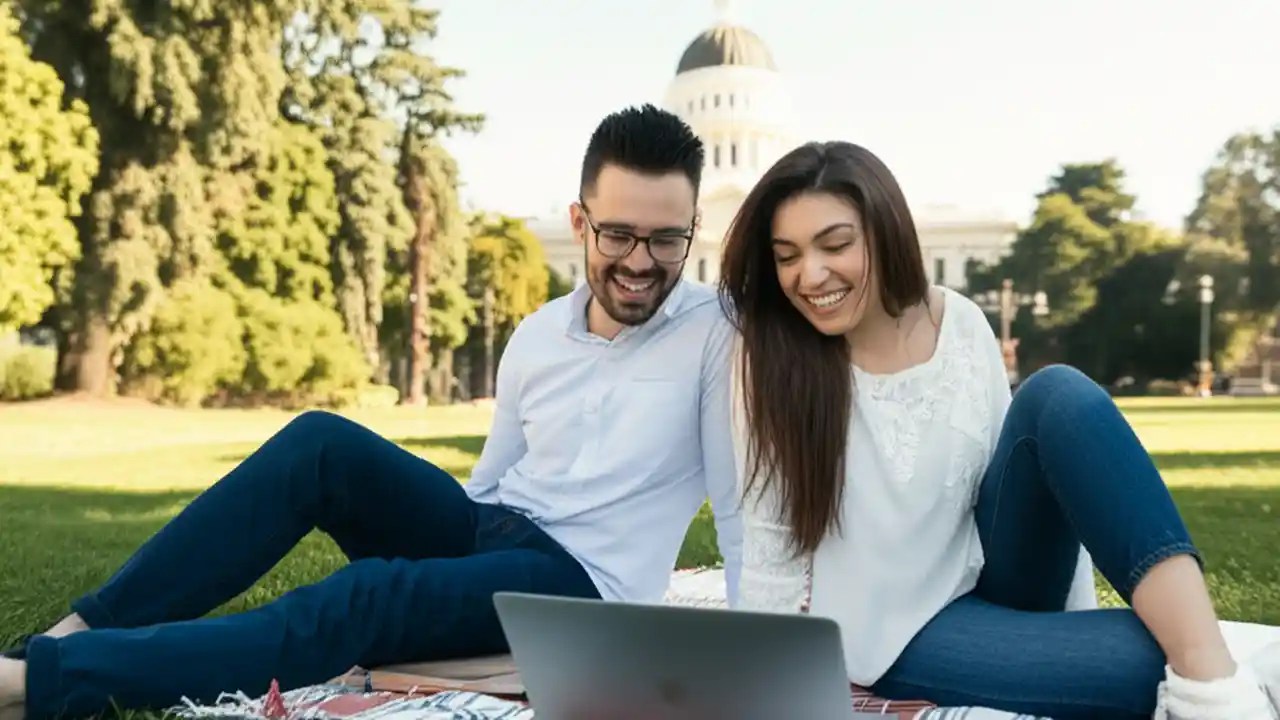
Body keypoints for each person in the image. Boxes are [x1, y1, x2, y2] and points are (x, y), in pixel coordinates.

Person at [0, 104, 743, 720]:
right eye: (619, 234)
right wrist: (444, 575)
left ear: (693, 232)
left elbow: (743, 508)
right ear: (581, 222)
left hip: (582, 586)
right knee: (320, 445)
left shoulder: (718, 333)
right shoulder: (539, 333)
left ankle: (39, 683)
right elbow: (490, 481)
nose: (640, 261)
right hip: (495, 532)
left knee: (369, 598)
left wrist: (757, 653)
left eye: (666, 240)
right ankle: (71, 633)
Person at [716, 140, 1278, 720]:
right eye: (786, 256)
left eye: (835, 245)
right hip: (892, 636)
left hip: (992, 583)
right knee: (1148, 658)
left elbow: (1033, 486)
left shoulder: (959, 322)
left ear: (884, 234)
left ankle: (1215, 688)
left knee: (1058, 395)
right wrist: (769, 688)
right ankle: (1220, 688)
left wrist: (1070, 626)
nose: (810, 275)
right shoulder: (768, 360)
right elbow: (770, 546)